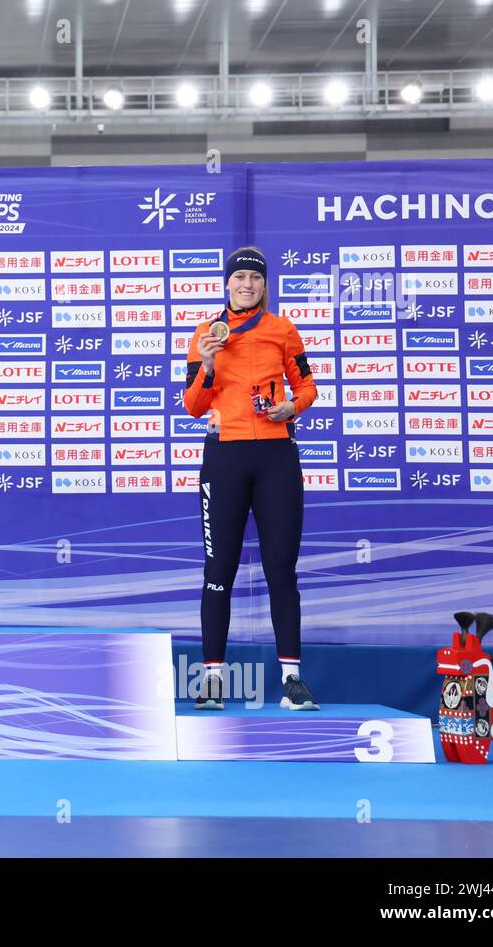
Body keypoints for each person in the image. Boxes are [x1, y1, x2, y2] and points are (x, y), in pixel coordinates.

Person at [183, 246, 320, 710]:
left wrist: (292, 408)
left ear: (264, 285)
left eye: (255, 278)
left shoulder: (283, 330)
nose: (247, 284)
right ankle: (214, 681)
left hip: (277, 457)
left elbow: (307, 385)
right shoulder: (205, 334)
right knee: (217, 570)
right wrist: (205, 365)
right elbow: (193, 406)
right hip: (224, 458)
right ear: (227, 284)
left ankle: (292, 681)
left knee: (281, 569)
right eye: (239, 277)